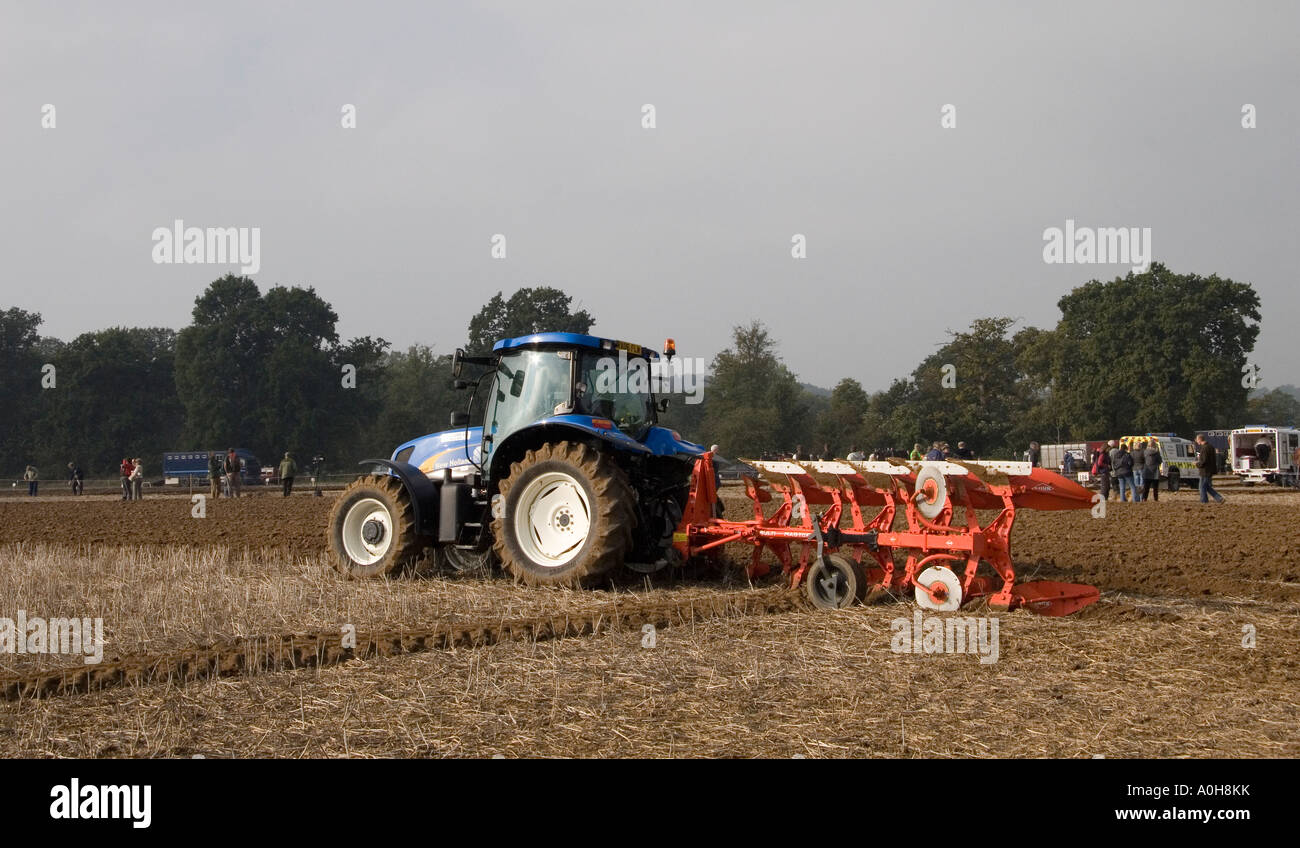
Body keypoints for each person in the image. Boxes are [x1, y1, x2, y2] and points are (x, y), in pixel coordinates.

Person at [1195, 434, 1225, 503]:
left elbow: (1204, 461)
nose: (1196, 441)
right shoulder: (1211, 447)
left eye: (1197, 440)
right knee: (1206, 487)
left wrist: (1197, 464)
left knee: (1202, 487)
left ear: (1199, 439)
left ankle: (1204, 501)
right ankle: (1219, 498)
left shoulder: (1205, 448)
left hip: (1205, 471)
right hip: (1210, 470)